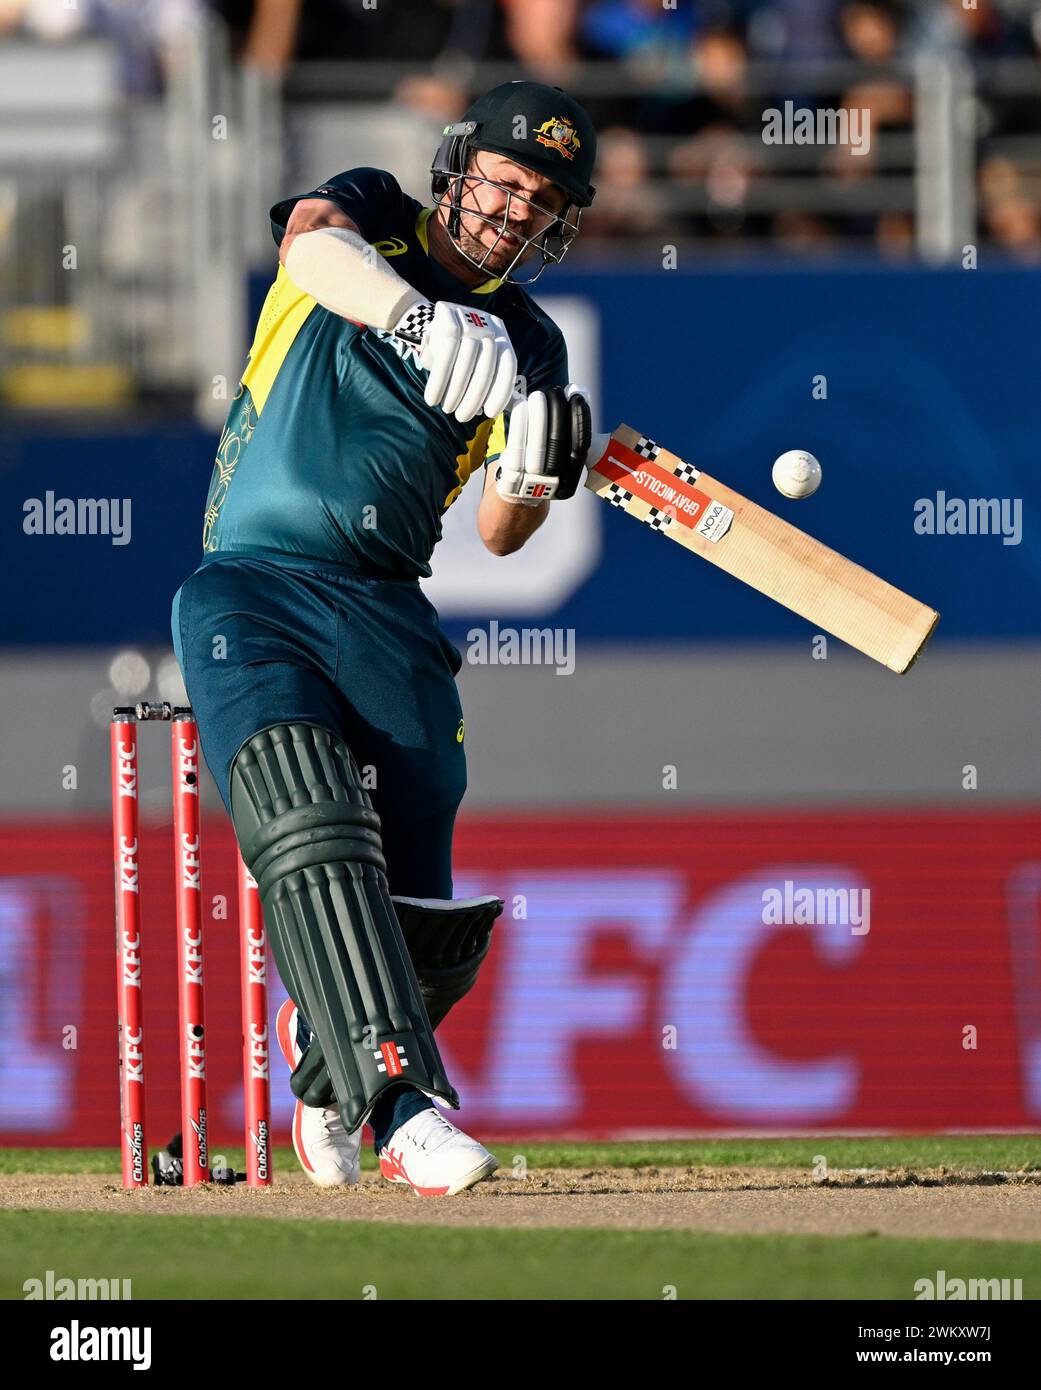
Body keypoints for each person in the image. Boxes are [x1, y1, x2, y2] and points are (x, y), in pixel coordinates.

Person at [172, 80, 597, 1196]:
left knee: (425, 908)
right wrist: (411, 314)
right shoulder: (372, 215)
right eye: (505, 180)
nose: (513, 210)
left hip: (388, 612)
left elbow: (505, 533)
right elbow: (311, 250)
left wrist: (535, 465)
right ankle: (408, 1109)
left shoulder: (531, 343)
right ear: (461, 168)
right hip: (252, 586)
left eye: (540, 201)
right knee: (308, 815)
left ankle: (323, 1070)